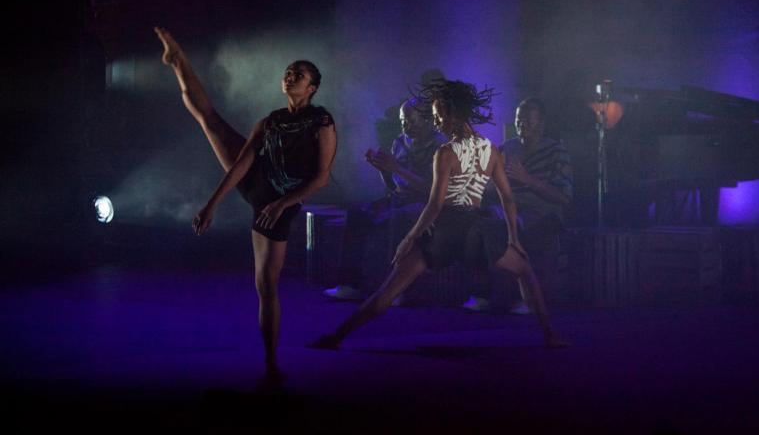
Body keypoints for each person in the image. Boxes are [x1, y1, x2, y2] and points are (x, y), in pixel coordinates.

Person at [308, 80, 567, 349]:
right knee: (524, 270)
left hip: (445, 231)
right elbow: (507, 197)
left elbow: (434, 204)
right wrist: (513, 238)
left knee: (389, 290)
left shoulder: (445, 153)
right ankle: (551, 336)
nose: (436, 122)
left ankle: (337, 337)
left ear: (451, 113)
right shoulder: (490, 149)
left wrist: (409, 238)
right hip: (476, 233)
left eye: (438, 115)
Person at [155, 27, 337, 381]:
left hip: (279, 204)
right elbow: (240, 165)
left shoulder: (322, 121)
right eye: (288, 72)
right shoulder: (270, 121)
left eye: (298, 74)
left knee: (266, 287)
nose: (290, 76)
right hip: (256, 183)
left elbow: (321, 178)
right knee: (209, 119)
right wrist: (211, 205)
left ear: (312, 88)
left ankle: (271, 364)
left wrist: (281, 204)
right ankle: (177, 61)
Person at [323, 97, 445, 300]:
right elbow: (393, 186)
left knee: (402, 217)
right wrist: (383, 169)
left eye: (411, 121)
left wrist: (396, 168)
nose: (405, 126)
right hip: (400, 198)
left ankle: (400, 289)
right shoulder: (400, 142)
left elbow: (432, 188)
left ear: (427, 120)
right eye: (403, 121)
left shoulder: (441, 147)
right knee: (357, 213)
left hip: (426, 203)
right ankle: (349, 284)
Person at [462, 97, 573, 314]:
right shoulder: (508, 148)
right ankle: (484, 294)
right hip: (509, 209)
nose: (522, 125)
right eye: (519, 120)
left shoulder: (556, 152)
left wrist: (528, 180)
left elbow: (564, 197)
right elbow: (493, 186)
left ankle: (527, 298)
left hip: (542, 213)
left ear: (541, 123)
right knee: (474, 224)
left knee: (513, 228)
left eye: (529, 120)